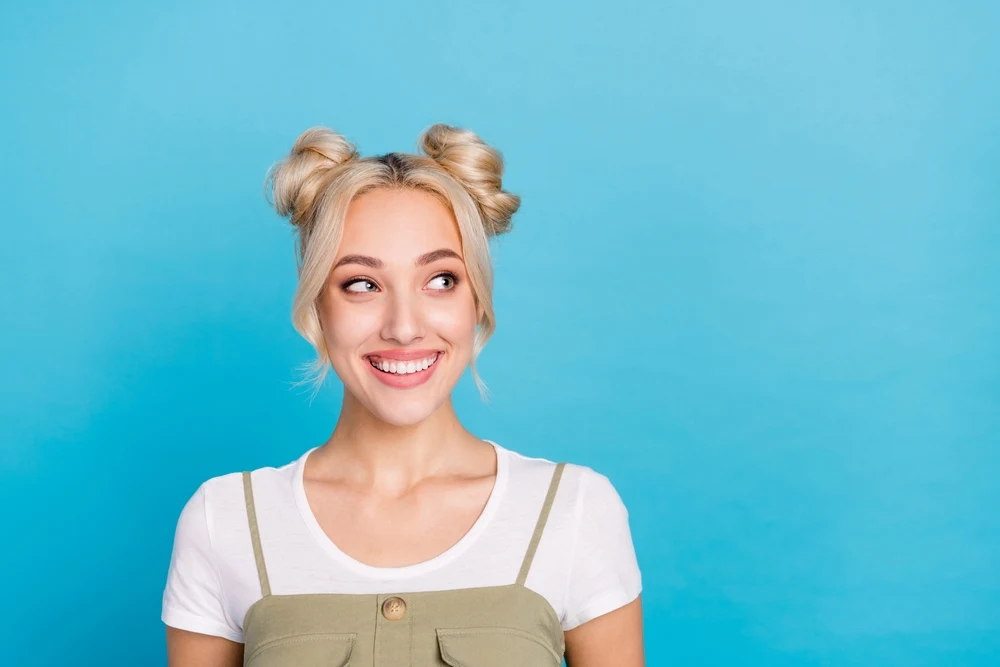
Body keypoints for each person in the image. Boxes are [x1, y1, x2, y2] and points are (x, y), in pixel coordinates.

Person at [161, 123, 645, 666]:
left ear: (477, 302)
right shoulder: (223, 519)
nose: (404, 327)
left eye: (440, 280)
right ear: (318, 306)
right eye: (362, 284)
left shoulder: (574, 511)